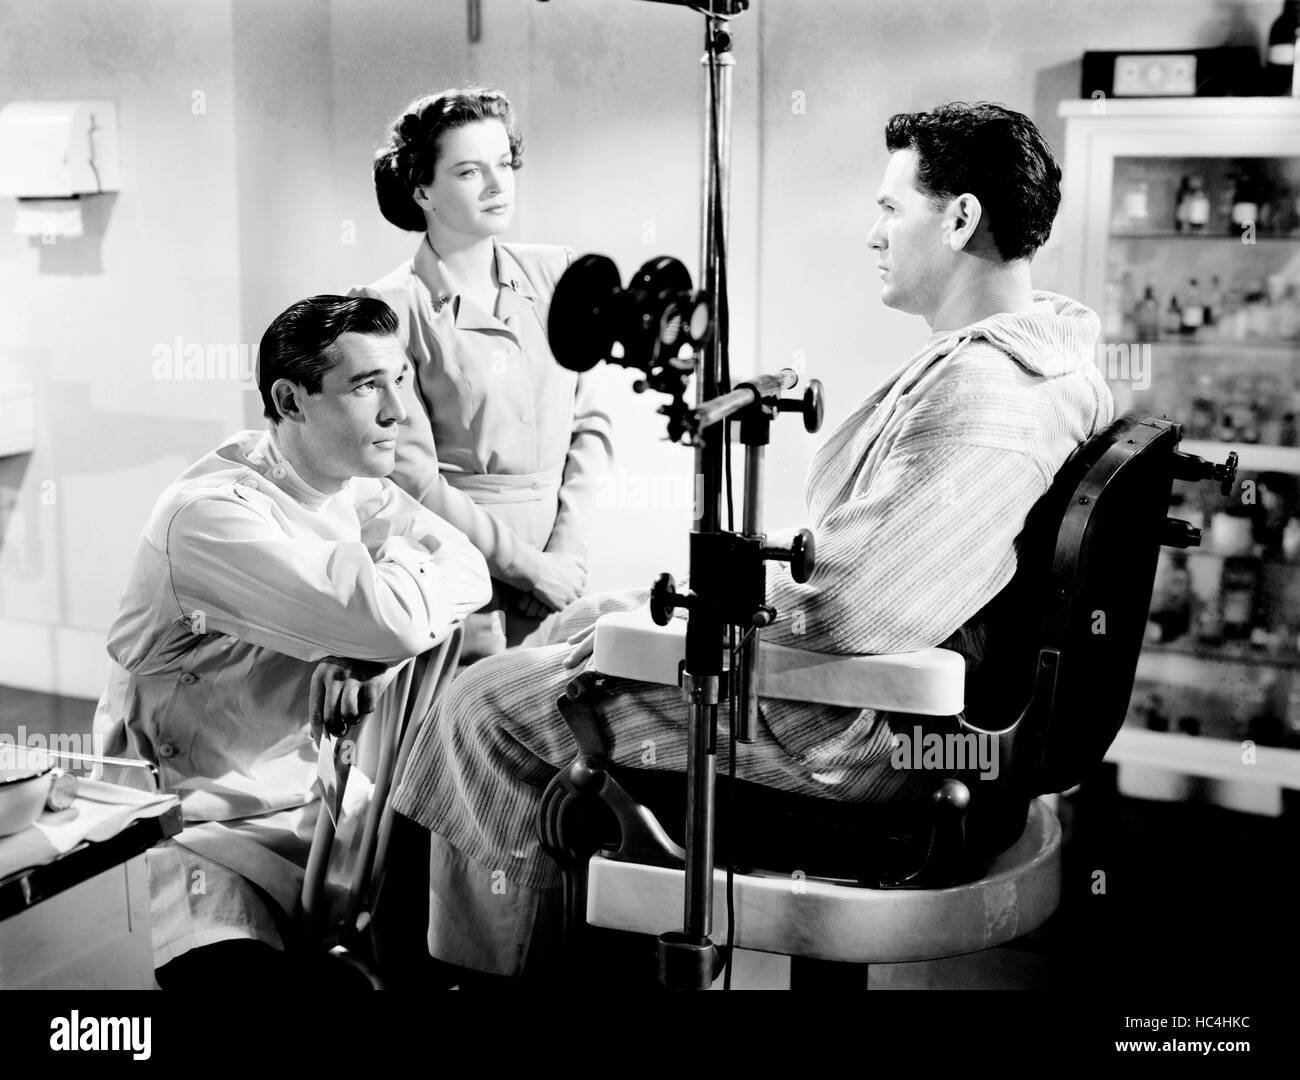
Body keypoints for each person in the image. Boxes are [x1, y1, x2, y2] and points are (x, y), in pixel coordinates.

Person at [388, 101, 1116, 980]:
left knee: (481, 707)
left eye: (891, 208)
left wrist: (657, 638)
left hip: (866, 740)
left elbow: (847, 609)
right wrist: (631, 618)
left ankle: (479, 977)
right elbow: (876, 562)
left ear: (961, 219)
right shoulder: (1041, 358)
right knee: (580, 621)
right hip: (891, 701)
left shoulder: (988, 397)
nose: (874, 232)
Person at [91, 295, 492, 988]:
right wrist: (376, 624)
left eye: (400, 380)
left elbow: (470, 568)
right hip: (198, 838)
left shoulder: (348, 486)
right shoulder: (209, 517)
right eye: (366, 386)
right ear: (290, 399)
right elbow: (398, 620)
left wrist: (365, 651)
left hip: (319, 818)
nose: (398, 411)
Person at [352, 87, 613, 656]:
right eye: (470, 171)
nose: (498, 185)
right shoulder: (389, 308)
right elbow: (412, 477)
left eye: (504, 163)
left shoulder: (559, 273)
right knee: (467, 709)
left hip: (562, 577)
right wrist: (525, 568)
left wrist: (563, 556)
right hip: (455, 568)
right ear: (422, 190)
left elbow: (591, 426)